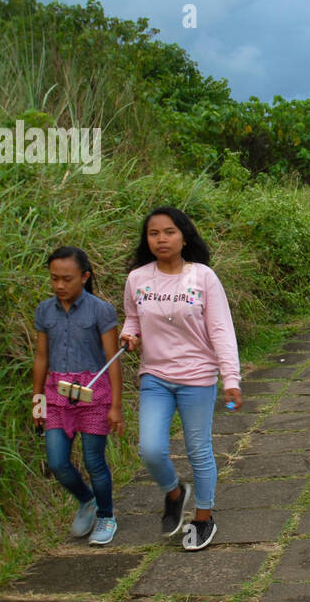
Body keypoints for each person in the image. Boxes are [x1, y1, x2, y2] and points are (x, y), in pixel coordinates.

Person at [122, 207, 242, 551]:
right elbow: (132, 320)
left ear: (184, 236)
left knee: (198, 449)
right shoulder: (137, 279)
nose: (161, 239)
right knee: (150, 448)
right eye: (154, 233)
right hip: (155, 377)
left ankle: (203, 518)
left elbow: (221, 330)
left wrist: (230, 377)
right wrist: (129, 336)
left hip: (197, 377)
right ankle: (174, 493)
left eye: (169, 232)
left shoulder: (203, 277)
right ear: (147, 239)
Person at [33, 246, 124, 546]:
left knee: (93, 460)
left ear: (84, 277)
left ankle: (106, 516)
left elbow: (112, 359)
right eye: (54, 279)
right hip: (57, 396)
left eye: (67, 279)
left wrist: (116, 406)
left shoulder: (100, 310)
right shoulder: (45, 311)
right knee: (58, 461)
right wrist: (37, 401)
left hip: (93, 395)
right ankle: (87, 500)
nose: (59, 285)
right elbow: (41, 357)